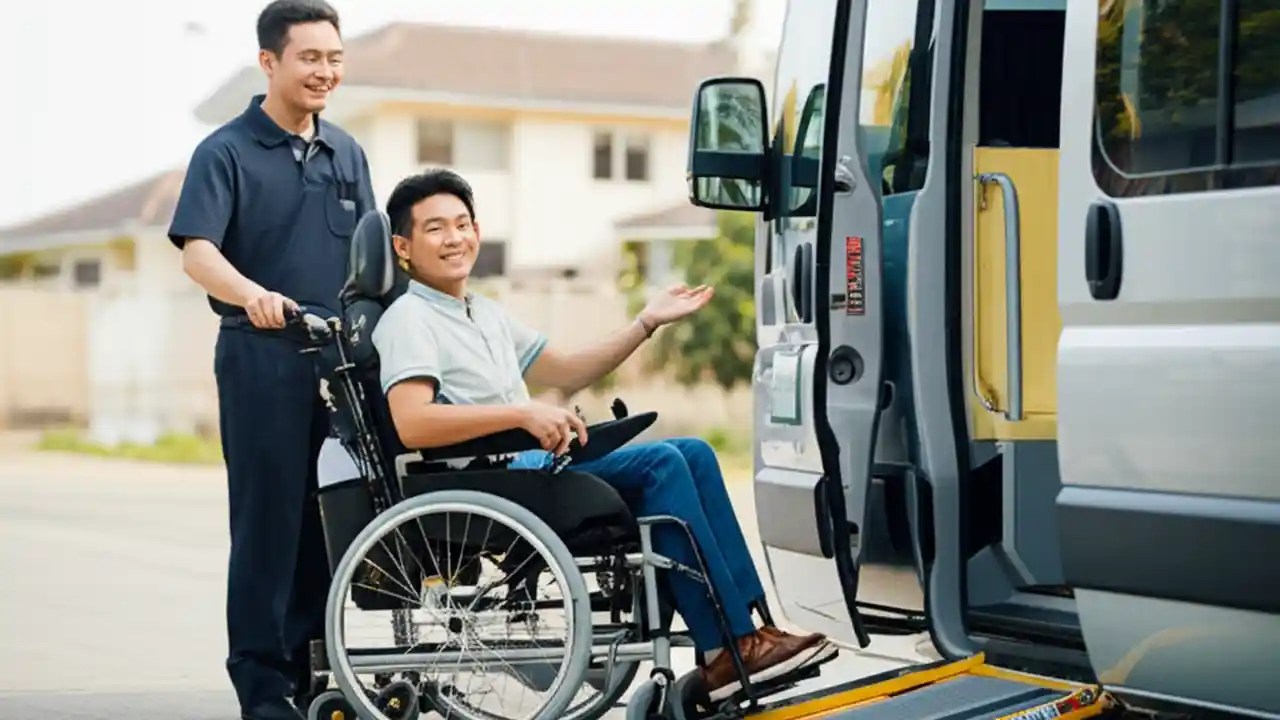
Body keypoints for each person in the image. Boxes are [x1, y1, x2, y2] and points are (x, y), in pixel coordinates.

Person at [370, 169, 837, 702]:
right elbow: (413, 421)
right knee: (662, 465)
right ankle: (724, 648)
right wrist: (520, 414)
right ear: (403, 247)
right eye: (435, 229)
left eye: (462, 223)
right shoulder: (410, 319)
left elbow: (565, 371)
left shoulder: (482, 313)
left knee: (695, 453)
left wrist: (646, 323)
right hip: (493, 483)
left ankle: (749, 630)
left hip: (524, 468)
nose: (454, 238)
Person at [166, 2, 376, 718]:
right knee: (268, 523)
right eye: (309, 58)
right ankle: (263, 687)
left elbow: (369, 266)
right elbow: (199, 251)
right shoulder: (224, 151)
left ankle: (317, 671)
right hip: (261, 358)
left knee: (332, 523)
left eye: (334, 58)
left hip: (339, 366)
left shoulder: (348, 152)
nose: (325, 71)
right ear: (269, 63)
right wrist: (254, 295)